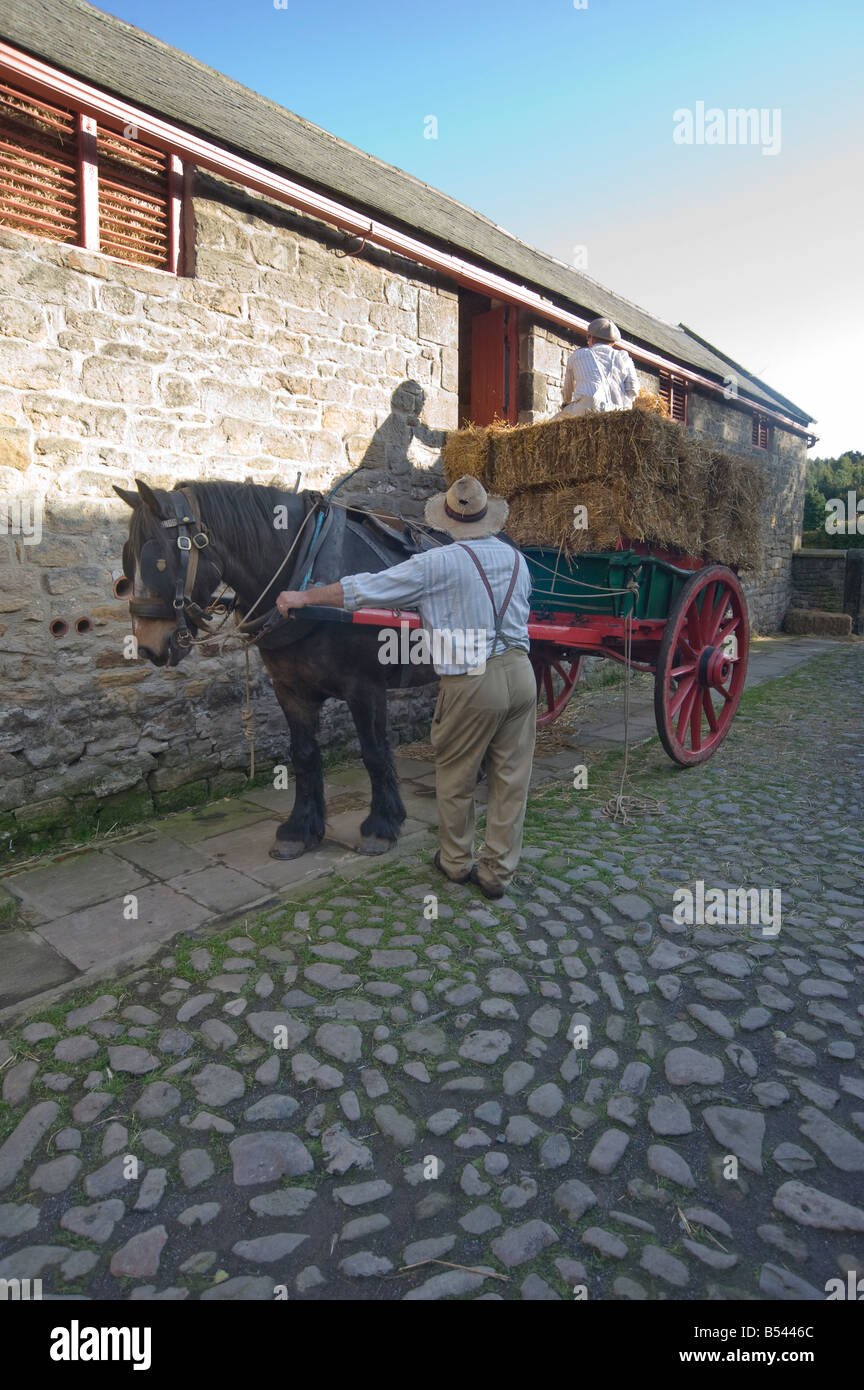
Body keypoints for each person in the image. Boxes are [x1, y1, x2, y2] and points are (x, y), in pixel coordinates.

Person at [275, 476, 536, 899]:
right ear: (487, 518)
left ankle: (455, 862)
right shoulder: (515, 560)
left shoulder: (437, 563)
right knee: (511, 779)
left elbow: (361, 589)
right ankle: (497, 872)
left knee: (456, 777)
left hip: (472, 677)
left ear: (448, 522)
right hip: (522, 674)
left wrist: (302, 599)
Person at [558, 316, 640, 417]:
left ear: (591, 339)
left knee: (553, 422)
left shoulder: (577, 355)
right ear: (613, 343)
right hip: (619, 412)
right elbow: (633, 390)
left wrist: (566, 404)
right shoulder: (624, 357)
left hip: (587, 408)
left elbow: (568, 390)